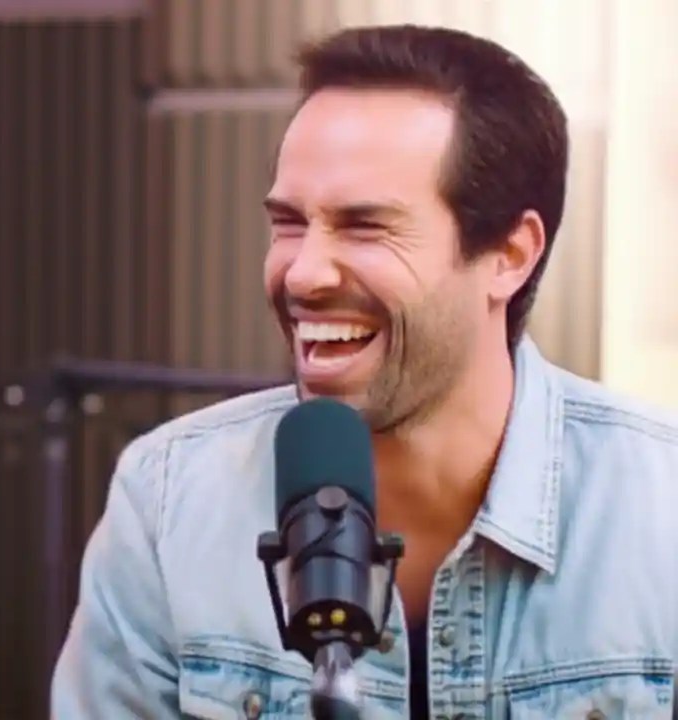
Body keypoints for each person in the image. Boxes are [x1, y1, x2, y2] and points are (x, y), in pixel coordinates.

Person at [52, 23, 678, 719]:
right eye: (289, 224)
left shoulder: (661, 508)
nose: (305, 273)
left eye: (365, 226)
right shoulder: (166, 503)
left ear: (509, 254)